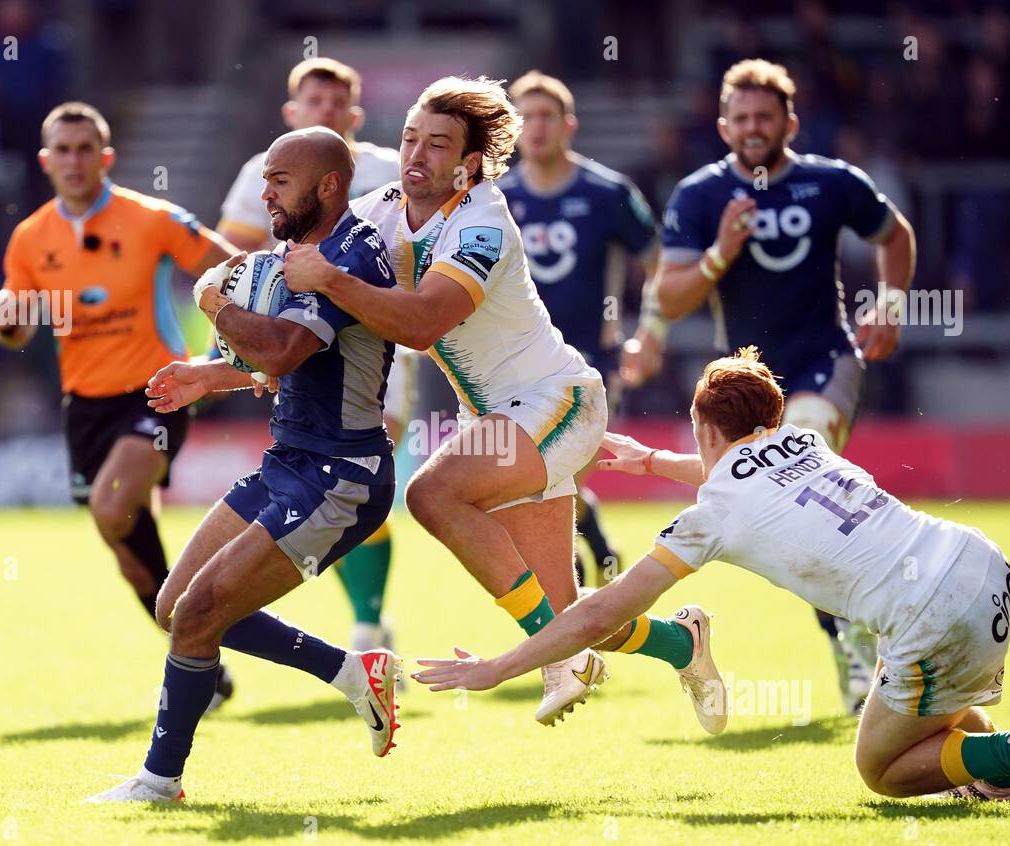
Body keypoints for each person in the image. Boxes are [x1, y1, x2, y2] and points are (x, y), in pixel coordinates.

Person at [416, 348, 1010, 803]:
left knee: (882, 770)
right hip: (982, 565)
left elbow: (598, 613)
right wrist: (654, 461)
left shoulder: (713, 512)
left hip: (931, 611)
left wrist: (498, 667)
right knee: (942, 720)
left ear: (703, 428)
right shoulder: (802, 440)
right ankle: (1009, 768)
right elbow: (742, 476)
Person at [282, 76, 664, 726]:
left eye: (437, 144)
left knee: (432, 495)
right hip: (498, 419)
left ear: (471, 163)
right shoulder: (382, 207)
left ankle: (557, 654)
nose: (416, 155)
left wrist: (333, 279)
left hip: (558, 399)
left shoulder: (482, 222)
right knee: (571, 611)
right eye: (409, 138)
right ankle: (683, 640)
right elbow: (306, 261)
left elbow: (423, 322)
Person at [85, 128, 402, 803]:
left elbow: (284, 350)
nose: (265, 192)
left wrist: (216, 306)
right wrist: (207, 377)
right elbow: (277, 363)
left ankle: (160, 779)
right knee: (178, 605)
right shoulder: (299, 253)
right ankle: (352, 672)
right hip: (290, 461)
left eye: (279, 180)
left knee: (202, 609)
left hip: (340, 476)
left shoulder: (348, 256)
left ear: (327, 186)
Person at [631, 59, 918, 713]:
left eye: (766, 117)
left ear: (790, 122)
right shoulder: (700, 195)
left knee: (805, 464)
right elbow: (669, 296)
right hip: (750, 385)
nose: (754, 128)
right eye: (743, 118)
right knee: (795, 517)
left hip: (825, 360)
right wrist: (718, 254)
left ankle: (864, 637)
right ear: (723, 125)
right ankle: (851, 633)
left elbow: (894, 234)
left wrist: (892, 305)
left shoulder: (830, 181)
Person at [0, 101, 237, 707]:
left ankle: (195, 644)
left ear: (105, 157)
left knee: (112, 502)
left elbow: (232, 265)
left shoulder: (151, 218)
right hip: (85, 405)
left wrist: (225, 348)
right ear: (46, 161)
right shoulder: (31, 238)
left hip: (156, 390)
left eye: (85, 150)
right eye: (62, 151)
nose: (74, 161)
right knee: (126, 550)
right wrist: (6, 322)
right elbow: (16, 326)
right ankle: (199, 655)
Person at [219, 57, 415, 654]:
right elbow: (235, 254)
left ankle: (365, 623)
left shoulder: (386, 168)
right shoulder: (263, 171)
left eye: (337, 104)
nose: (325, 111)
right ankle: (363, 623)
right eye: (314, 101)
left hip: (378, 336)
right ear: (291, 111)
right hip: (295, 339)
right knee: (321, 470)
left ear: (354, 115)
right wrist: (232, 343)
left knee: (359, 456)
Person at [499, 70, 659, 586]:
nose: (537, 127)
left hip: (593, 358)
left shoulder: (607, 191)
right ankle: (595, 558)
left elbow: (660, 265)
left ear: (569, 125)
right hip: (516, 362)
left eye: (547, 116)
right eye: (526, 117)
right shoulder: (494, 198)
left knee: (557, 480)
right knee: (540, 484)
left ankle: (568, 617)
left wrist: (650, 334)